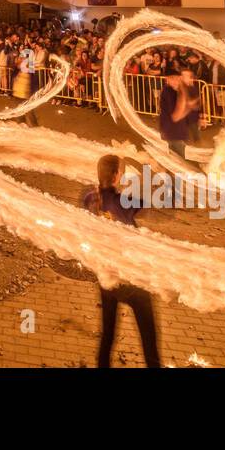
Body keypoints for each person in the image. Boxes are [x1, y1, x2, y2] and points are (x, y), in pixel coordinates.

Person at [80, 155, 160, 368]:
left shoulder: (89, 198)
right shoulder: (123, 202)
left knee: (108, 334)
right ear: (116, 175)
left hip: (107, 276)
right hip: (129, 277)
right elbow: (150, 199)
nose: (123, 175)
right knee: (149, 337)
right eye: (121, 172)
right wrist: (153, 171)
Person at [158, 64, 198, 159]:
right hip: (172, 132)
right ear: (168, 79)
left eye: (177, 78)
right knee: (180, 161)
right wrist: (189, 106)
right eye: (172, 78)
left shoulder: (177, 90)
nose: (176, 81)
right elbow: (176, 117)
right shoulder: (168, 92)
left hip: (176, 132)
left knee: (175, 159)